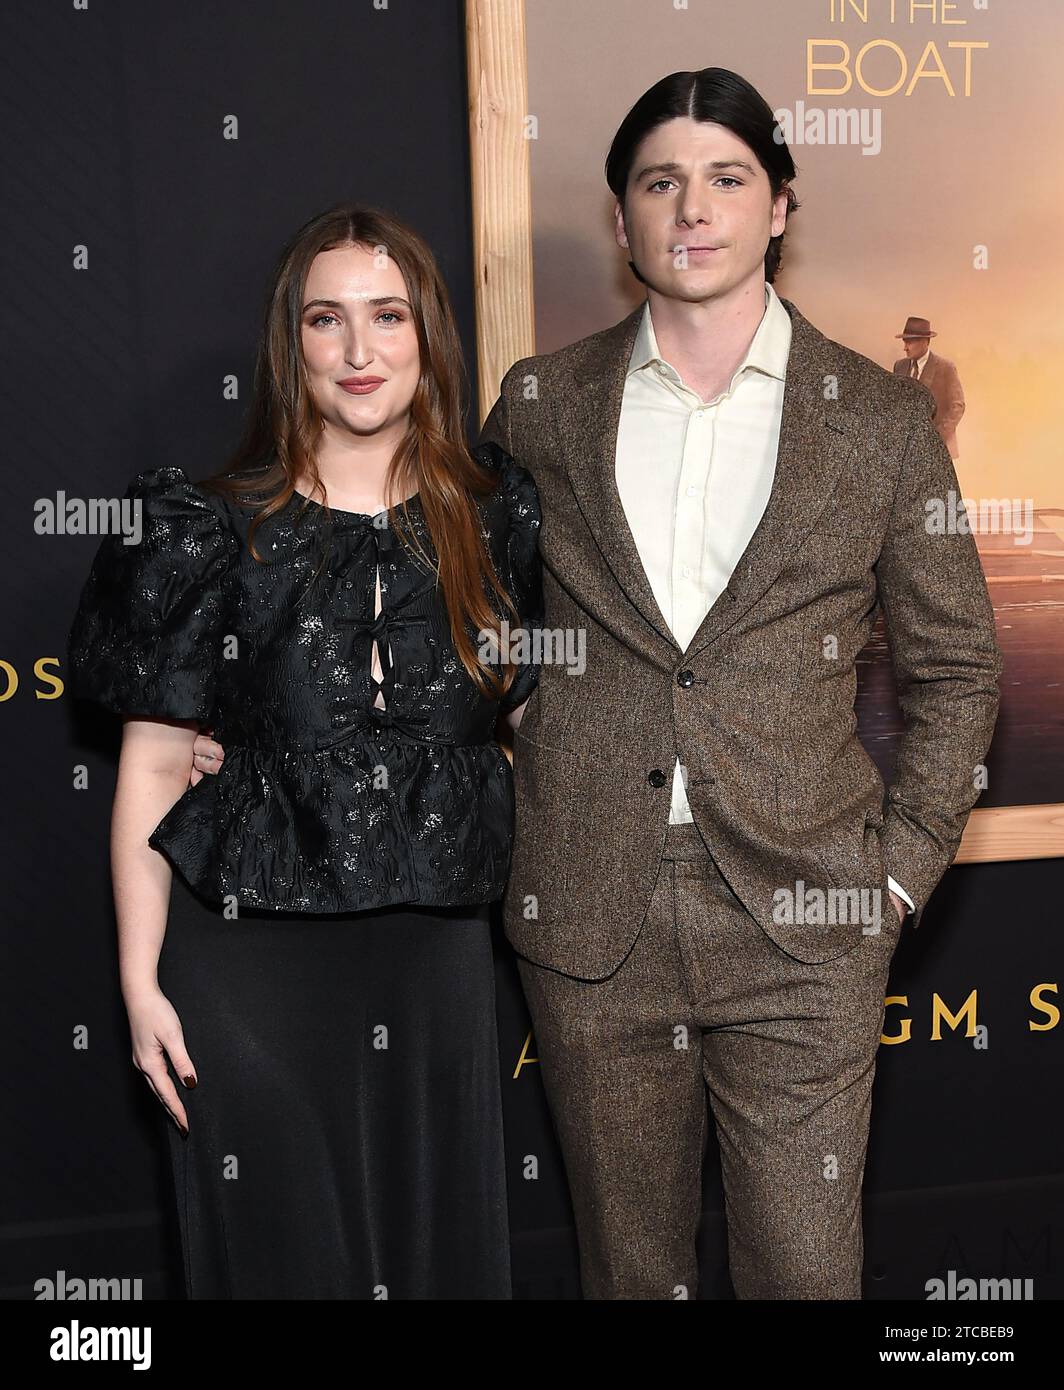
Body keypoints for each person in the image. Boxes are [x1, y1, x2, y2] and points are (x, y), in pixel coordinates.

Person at [475, 68, 1001, 1298]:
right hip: (587, 909)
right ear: (623, 218)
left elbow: (958, 659)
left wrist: (893, 875)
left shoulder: (876, 419)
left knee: (805, 1275)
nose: (691, 208)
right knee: (629, 1273)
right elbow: (480, 633)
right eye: (660, 181)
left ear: (778, 207)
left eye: (726, 178)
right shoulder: (539, 407)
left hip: (806, 911)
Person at [66, 203, 543, 1300]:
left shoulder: (495, 517)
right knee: (286, 1259)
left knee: (439, 1263)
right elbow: (149, 765)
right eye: (327, 320)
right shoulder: (207, 529)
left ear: (427, 335)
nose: (360, 350)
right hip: (248, 971)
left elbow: (532, 729)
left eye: (387, 315)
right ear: (293, 345)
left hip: (435, 966)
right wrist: (138, 980)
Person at [891, 315, 966, 459]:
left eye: (910, 342)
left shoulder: (946, 368)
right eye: (904, 341)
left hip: (938, 452)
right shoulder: (899, 366)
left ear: (926, 342)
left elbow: (958, 406)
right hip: (906, 452)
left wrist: (935, 437)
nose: (905, 347)